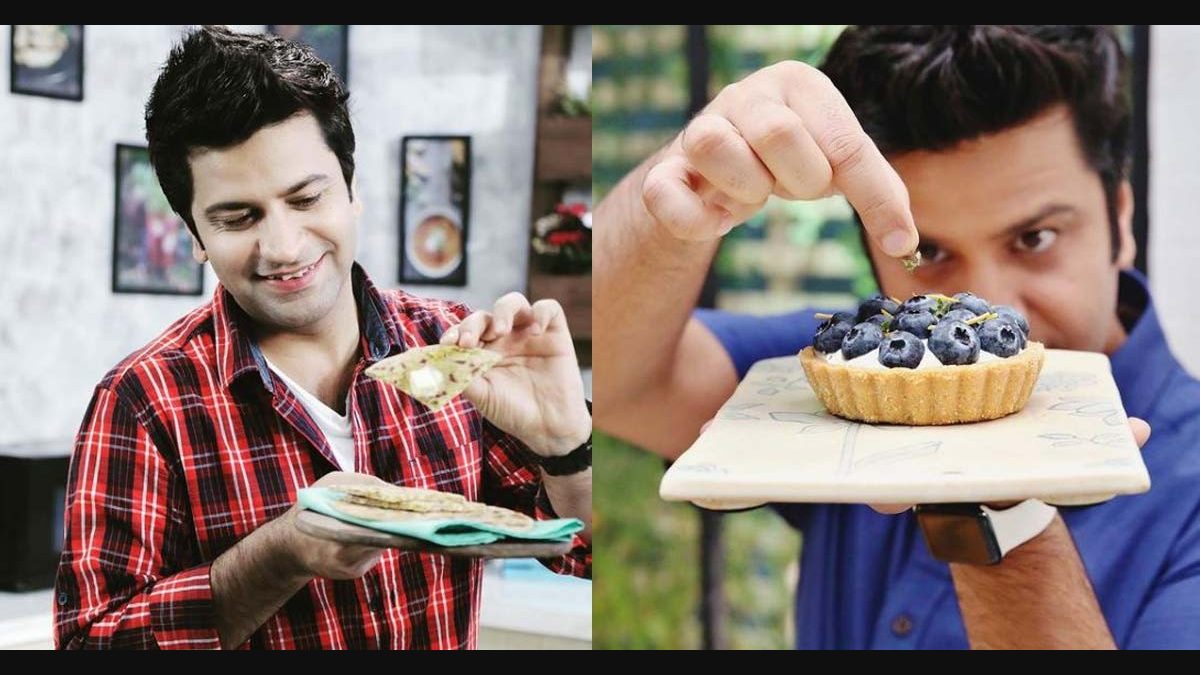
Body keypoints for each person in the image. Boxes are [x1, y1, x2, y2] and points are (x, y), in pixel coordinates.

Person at [595, 25, 1199, 649]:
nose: (986, 306)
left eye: (1036, 238)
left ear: (1121, 217)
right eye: (927, 251)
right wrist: (680, 199)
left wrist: (996, 517)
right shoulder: (858, 382)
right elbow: (621, 382)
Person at [55, 26, 592, 650]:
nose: (284, 248)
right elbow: (90, 643)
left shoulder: (454, 345)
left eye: (306, 198)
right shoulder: (143, 401)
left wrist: (566, 444)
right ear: (196, 237)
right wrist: (281, 553)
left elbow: (585, 550)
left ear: (352, 190)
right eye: (237, 217)